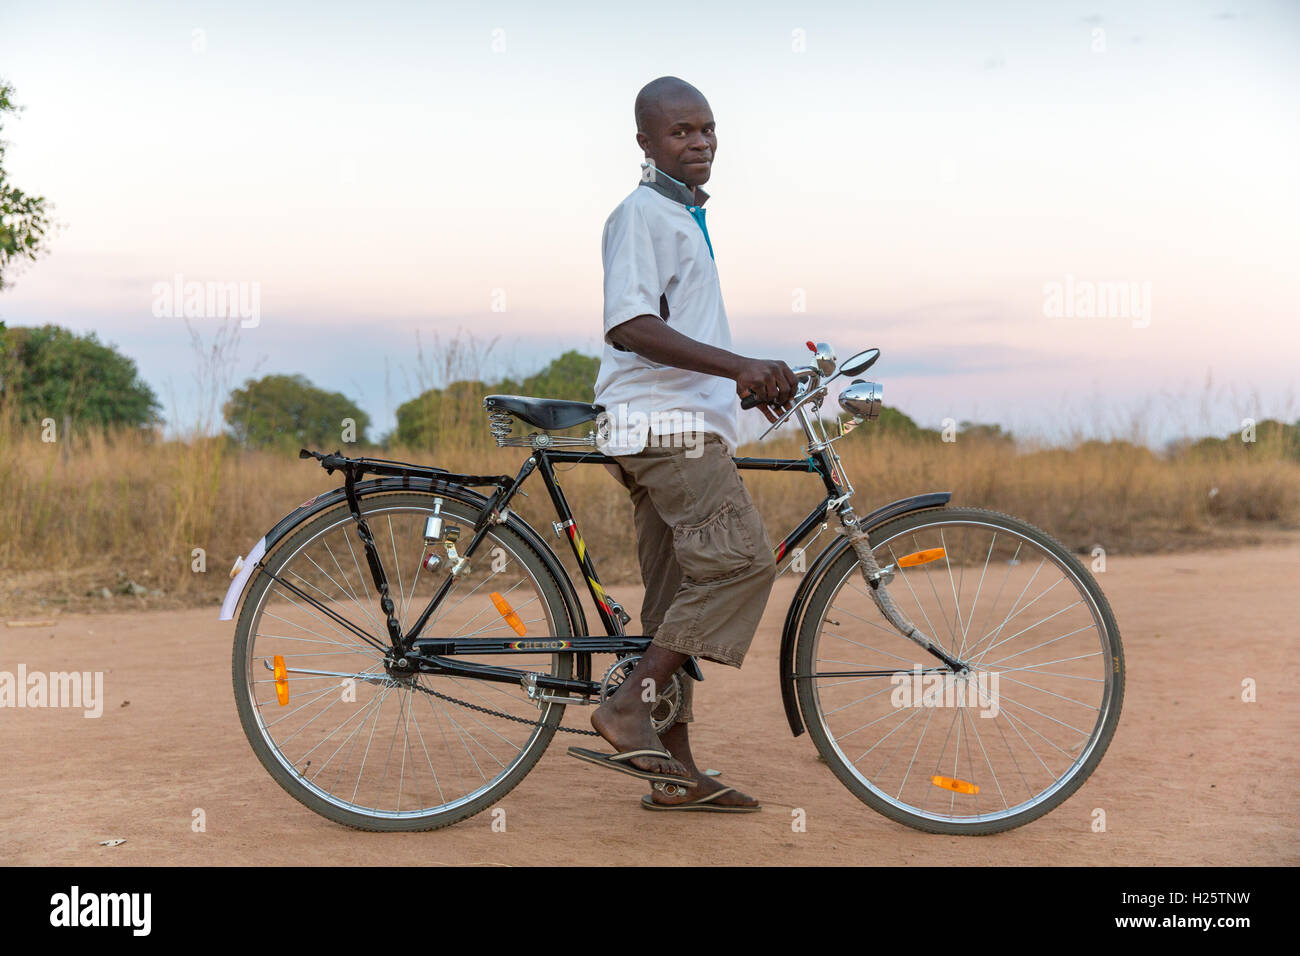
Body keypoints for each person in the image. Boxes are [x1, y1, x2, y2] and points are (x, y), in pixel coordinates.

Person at [567, 76, 798, 812]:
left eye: (707, 129)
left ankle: (675, 776)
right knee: (739, 565)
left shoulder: (683, 215)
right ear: (645, 143)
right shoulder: (642, 214)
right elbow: (629, 324)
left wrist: (750, 376)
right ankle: (628, 704)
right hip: (665, 430)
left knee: (676, 601)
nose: (698, 142)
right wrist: (737, 366)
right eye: (679, 132)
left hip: (673, 424)